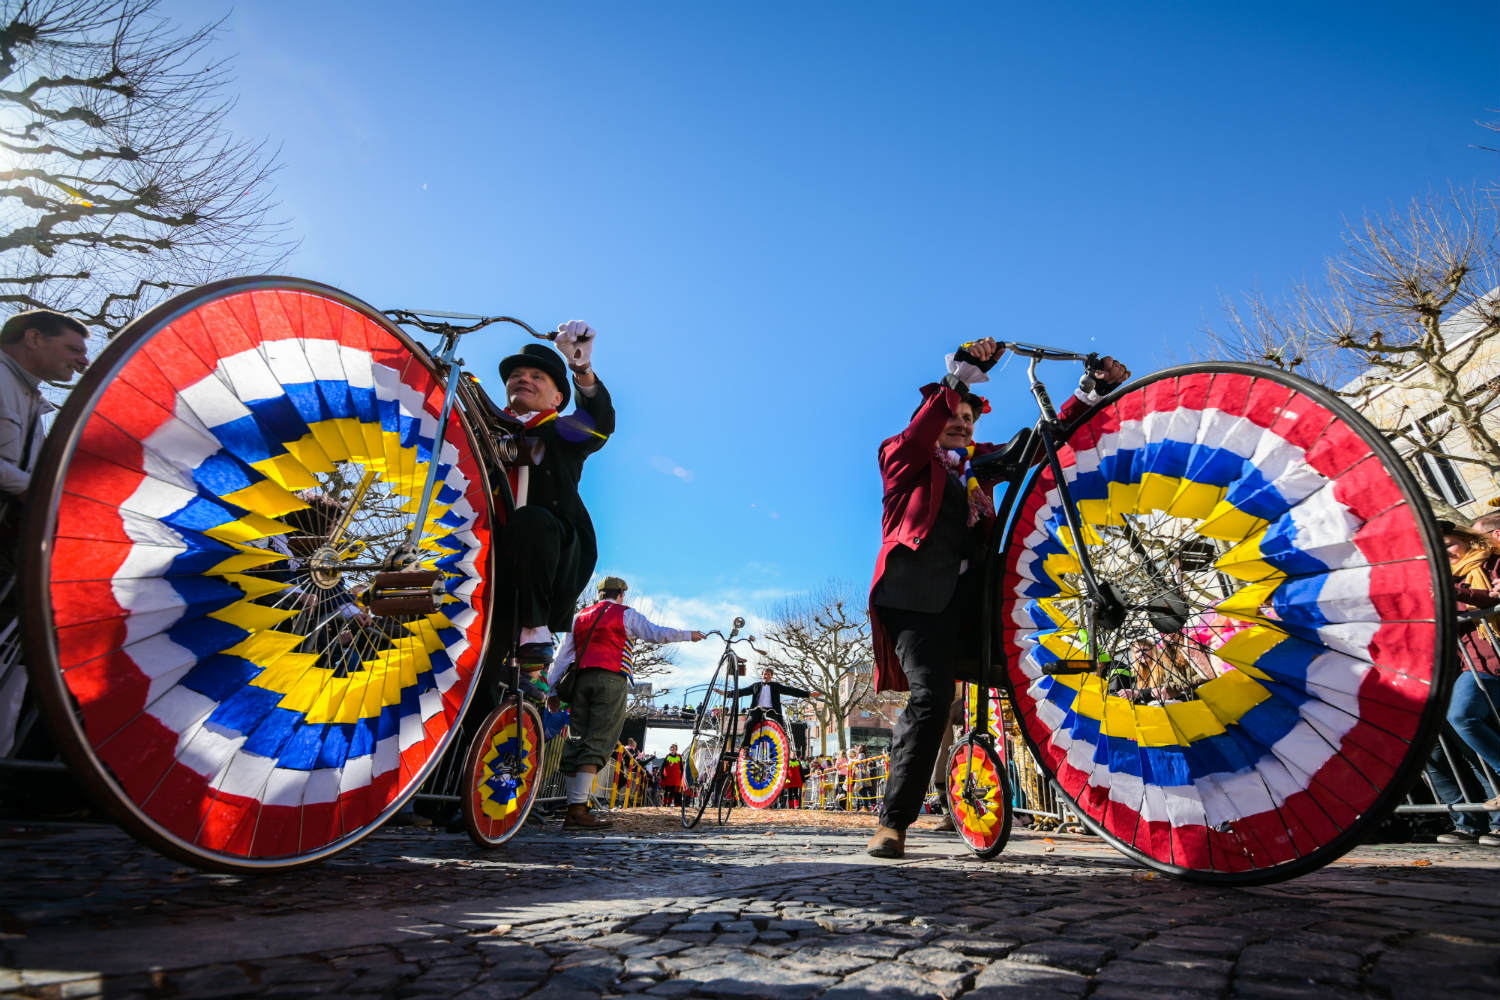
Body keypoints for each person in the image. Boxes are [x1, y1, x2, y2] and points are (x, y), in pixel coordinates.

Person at [866, 337, 1128, 858]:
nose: (962, 423)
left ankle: (1100, 788)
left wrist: (1090, 392)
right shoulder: (902, 458)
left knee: (1032, 673)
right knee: (931, 699)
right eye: (953, 416)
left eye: (969, 418)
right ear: (933, 417)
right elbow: (921, 432)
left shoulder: (979, 466)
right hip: (918, 602)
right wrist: (961, 376)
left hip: (974, 601)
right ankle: (893, 822)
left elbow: (1039, 445)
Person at [494, 324, 615, 684]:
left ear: (557, 398)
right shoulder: (487, 431)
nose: (523, 380)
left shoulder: (562, 430)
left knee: (531, 520)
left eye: (536, 376)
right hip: (495, 557)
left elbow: (599, 424)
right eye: (516, 375)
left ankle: (535, 629)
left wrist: (581, 368)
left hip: (553, 552)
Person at [545, 576, 705, 829]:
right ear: (621, 594)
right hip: (611, 680)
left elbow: (561, 657)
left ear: (599, 594)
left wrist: (552, 690)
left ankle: (571, 807)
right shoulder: (626, 615)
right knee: (598, 739)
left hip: (580, 681)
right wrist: (688, 635)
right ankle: (578, 809)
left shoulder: (580, 617)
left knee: (576, 738)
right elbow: (657, 634)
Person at [1, 309, 90, 759]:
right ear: (34, 337)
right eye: (73, 349)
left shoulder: (32, 400)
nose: (82, 362)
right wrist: (45, 496)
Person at [1438, 521, 1500, 824]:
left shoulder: (1493, 561)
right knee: (1461, 715)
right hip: (1477, 665)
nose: (1444, 552)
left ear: (1465, 539)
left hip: (1495, 658)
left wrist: (1458, 594)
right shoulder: (1445, 579)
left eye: (1448, 543)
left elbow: (1494, 597)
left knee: (1463, 715)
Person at [730, 667, 820, 744]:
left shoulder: (775, 686)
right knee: (749, 724)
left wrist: (808, 694)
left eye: (768, 674)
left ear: (771, 676)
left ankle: (774, 752)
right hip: (757, 710)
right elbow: (742, 692)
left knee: (778, 728)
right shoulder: (755, 686)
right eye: (765, 674)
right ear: (762, 675)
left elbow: (791, 691)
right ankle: (746, 748)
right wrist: (727, 694)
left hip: (771, 711)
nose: (766, 676)